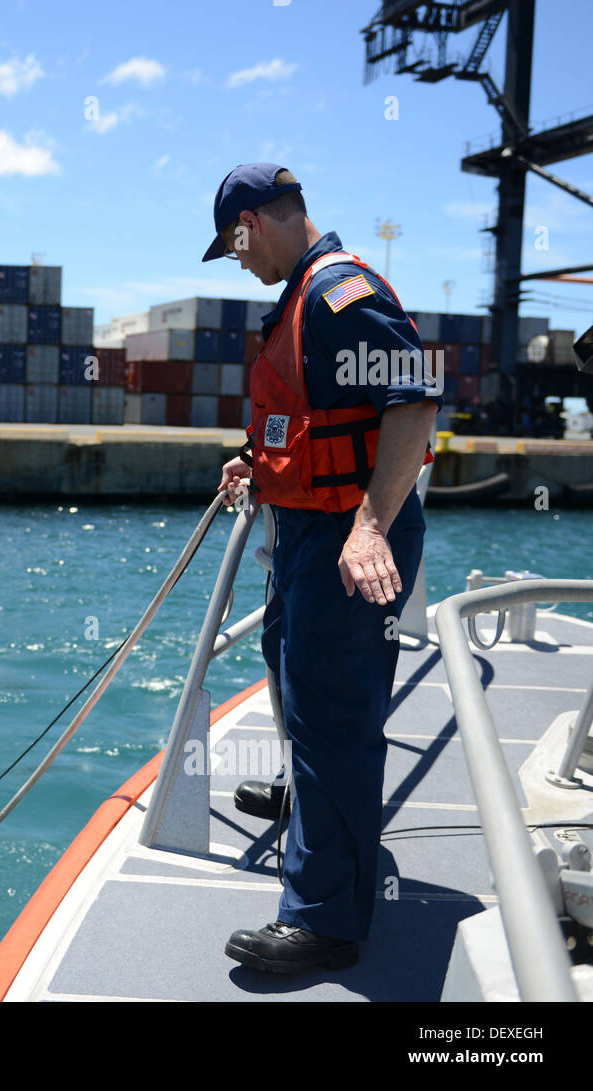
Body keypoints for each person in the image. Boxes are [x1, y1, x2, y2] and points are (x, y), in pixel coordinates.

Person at [203, 164, 441, 973]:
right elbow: (309, 419)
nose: (235, 263)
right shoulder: (302, 298)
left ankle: (325, 920)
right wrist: (254, 461)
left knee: (334, 711)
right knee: (299, 686)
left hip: (345, 540)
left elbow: (413, 397)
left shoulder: (338, 293)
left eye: (232, 247)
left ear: (252, 226)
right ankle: (315, 812)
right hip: (306, 534)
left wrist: (369, 524)